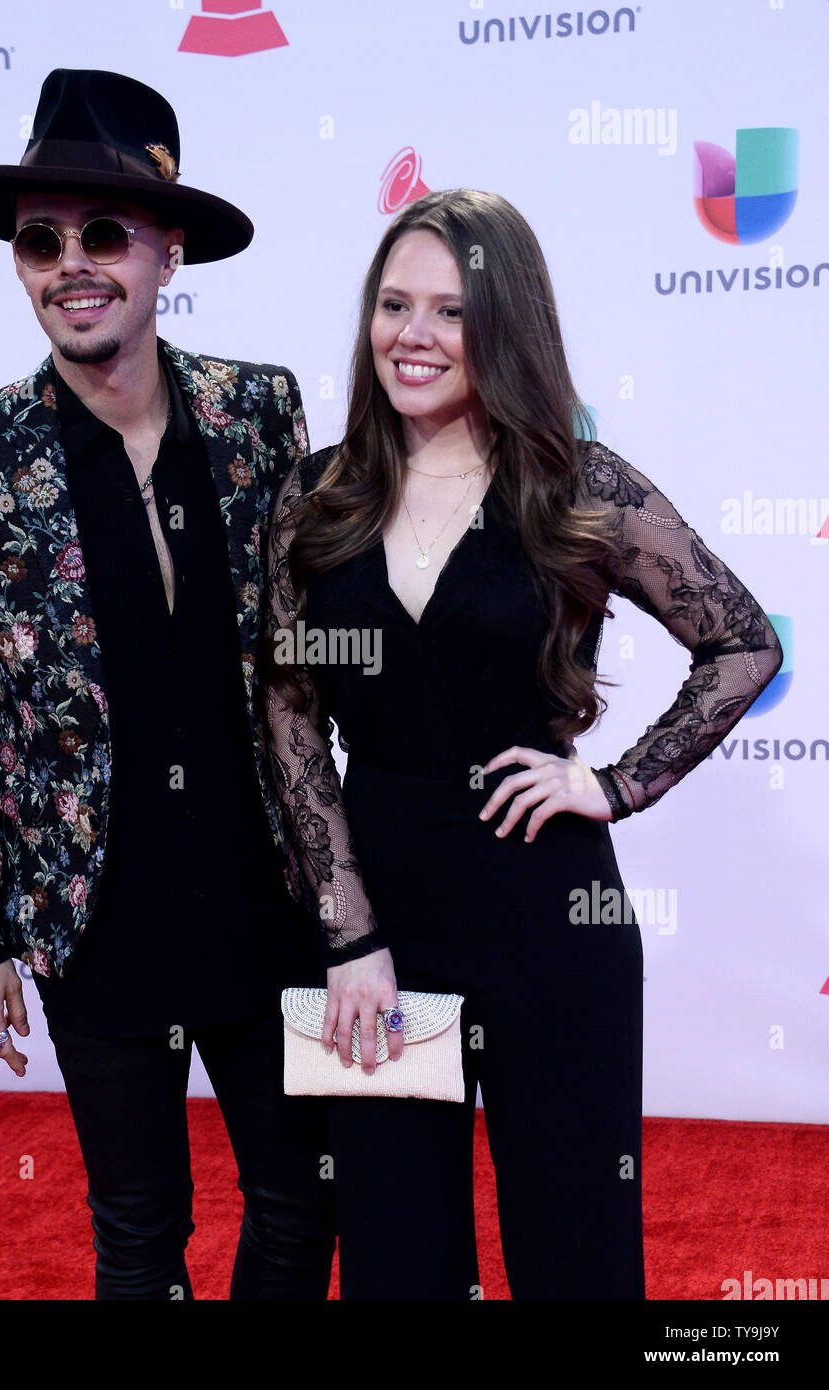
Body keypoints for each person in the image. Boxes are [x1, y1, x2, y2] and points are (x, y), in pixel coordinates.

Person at [263, 188, 782, 1300]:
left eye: (449, 311)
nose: (413, 334)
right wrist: (347, 932)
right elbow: (290, 712)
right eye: (392, 304)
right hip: (378, 917)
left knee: (575, 1249)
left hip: (552, 913)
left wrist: (614, 783)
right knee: (395, 1263)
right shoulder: (314, 496)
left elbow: (739, 641)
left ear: (504, 327)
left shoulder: (576, 488)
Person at [0, 68, 335, 1300]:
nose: (69, 264)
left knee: (302, 1203)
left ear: (166, 248)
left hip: (268, 889)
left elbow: (304, 651)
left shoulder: (257, 411)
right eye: (39, 240)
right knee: (139, 1233)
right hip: (93, 910)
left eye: (103, 232)